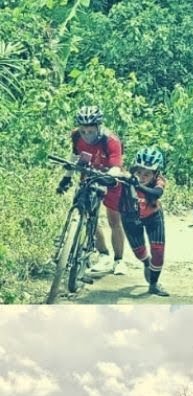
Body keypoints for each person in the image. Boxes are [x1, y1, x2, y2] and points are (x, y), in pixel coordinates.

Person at [56, 106, 129, 275]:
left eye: (91, 131)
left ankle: (119, 260)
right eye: (83, 131)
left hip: (111, 179)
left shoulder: (111, 140)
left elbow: (117, 166)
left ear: (99, 127)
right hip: (89, 175)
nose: (87, 135)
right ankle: (103, 254)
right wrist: (67, 177)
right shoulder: (76, 136)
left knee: (113, 221)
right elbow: (75, 156)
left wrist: (111, 175)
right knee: (89, 215)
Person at [120, 147, 170, 297]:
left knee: (158, 251)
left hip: (153, 216)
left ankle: (153, 285)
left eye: (147, 174)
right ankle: (147, 263)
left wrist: (137, 185)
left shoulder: (159, 180)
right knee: (140, 253)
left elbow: (157, 193)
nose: (142, 176)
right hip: (130, 217)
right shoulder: (126, 177)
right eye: (139, 172)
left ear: (155, 173)